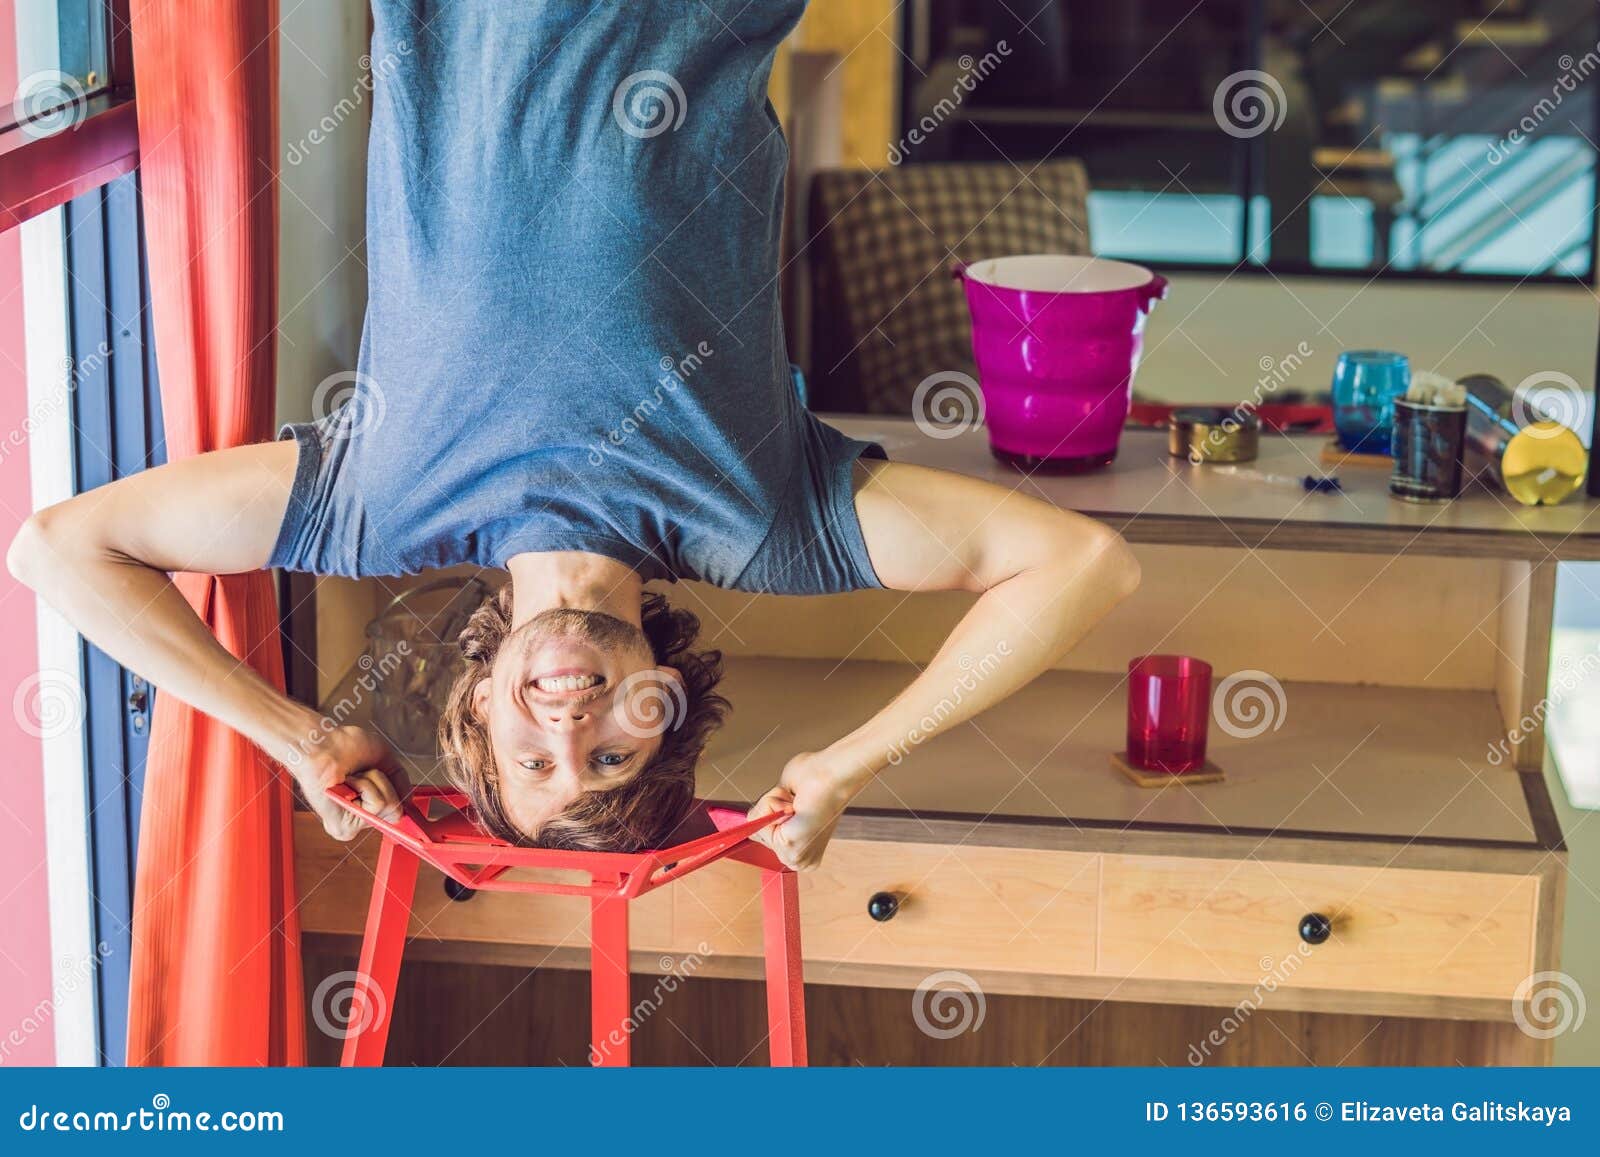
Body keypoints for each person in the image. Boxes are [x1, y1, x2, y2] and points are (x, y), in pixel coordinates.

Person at [6, 1, 1139, 870]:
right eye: (610, 753)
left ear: (477, 703)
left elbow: (57, 549)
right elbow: (1081, 562)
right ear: (665, 701)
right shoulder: (762, 521)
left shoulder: (379, 507)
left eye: (532, 756)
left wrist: (298, 737)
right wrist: (849, 760)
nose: (570, 722)